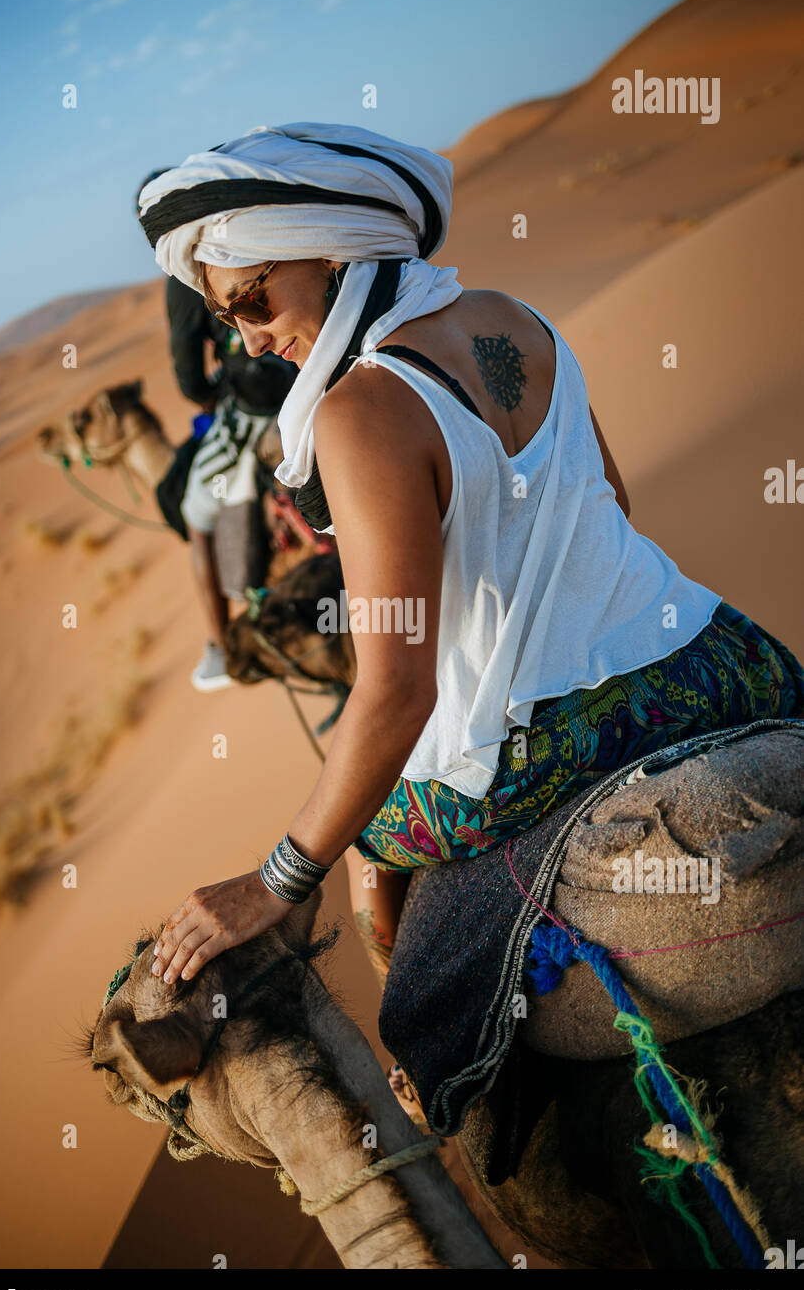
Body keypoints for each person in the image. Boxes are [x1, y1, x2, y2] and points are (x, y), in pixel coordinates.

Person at [136, 122, 804, 992]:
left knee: (367, 852)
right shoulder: (517, 318)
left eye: (252, 302)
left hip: (547, 739)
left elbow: (397, 693)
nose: (250, 343)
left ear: (330, 253)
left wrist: (274, 882)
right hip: (718, 660)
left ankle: (431, 1080)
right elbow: (614, 502)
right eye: (226, 320)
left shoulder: (357, 410)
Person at [135, 170, 296, 691]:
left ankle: (220, 646)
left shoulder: (186, 270)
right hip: (313, 378)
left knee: (195, 511)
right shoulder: (248, 236)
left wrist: (208, 394)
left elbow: (186, 371)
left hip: (255, 412)